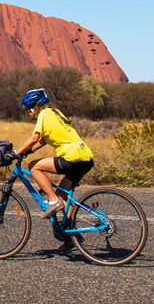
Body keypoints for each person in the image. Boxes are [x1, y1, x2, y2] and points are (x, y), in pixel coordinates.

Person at [13, 88, 94, 225]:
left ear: (36, 107)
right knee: (62, 197)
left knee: (34, 166)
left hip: (72, 157)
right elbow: (45, 139)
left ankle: (52, 200)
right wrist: (30, 151)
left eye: (28, 109)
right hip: (85, 157)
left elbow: (34, 138)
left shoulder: (44, 114)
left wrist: (16, 153)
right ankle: (71, 236)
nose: (28, 113)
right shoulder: (55, 113)